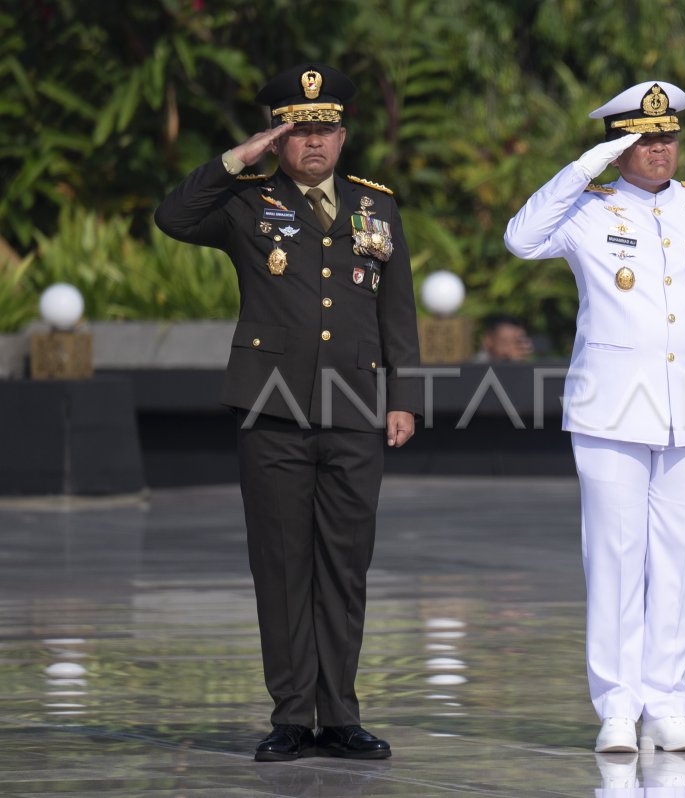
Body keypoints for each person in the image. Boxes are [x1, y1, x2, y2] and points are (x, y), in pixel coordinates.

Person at [154, 63, 422, 761]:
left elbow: (398, 314)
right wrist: (236, 159)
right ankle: (290, 716)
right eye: (298, 130)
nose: (314, 143)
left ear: (343, 135)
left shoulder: (377, 207)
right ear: (279, 137)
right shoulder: (246, 203)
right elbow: (172, 216)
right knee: (280, 566)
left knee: (345, 567)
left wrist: (404, 400)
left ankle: (339, 715)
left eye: (325, 130)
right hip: (272, 411)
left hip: (357, 409)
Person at [504, 80, 685, 753]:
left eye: (669, 136)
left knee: (677, 563)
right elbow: (520, 238)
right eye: (644, 139)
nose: (660, 150)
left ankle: (668, 705)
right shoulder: (587, 209)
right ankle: (617, 707)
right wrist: (587, 164)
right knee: (615, 560)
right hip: (611, 410)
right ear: (619, 145)